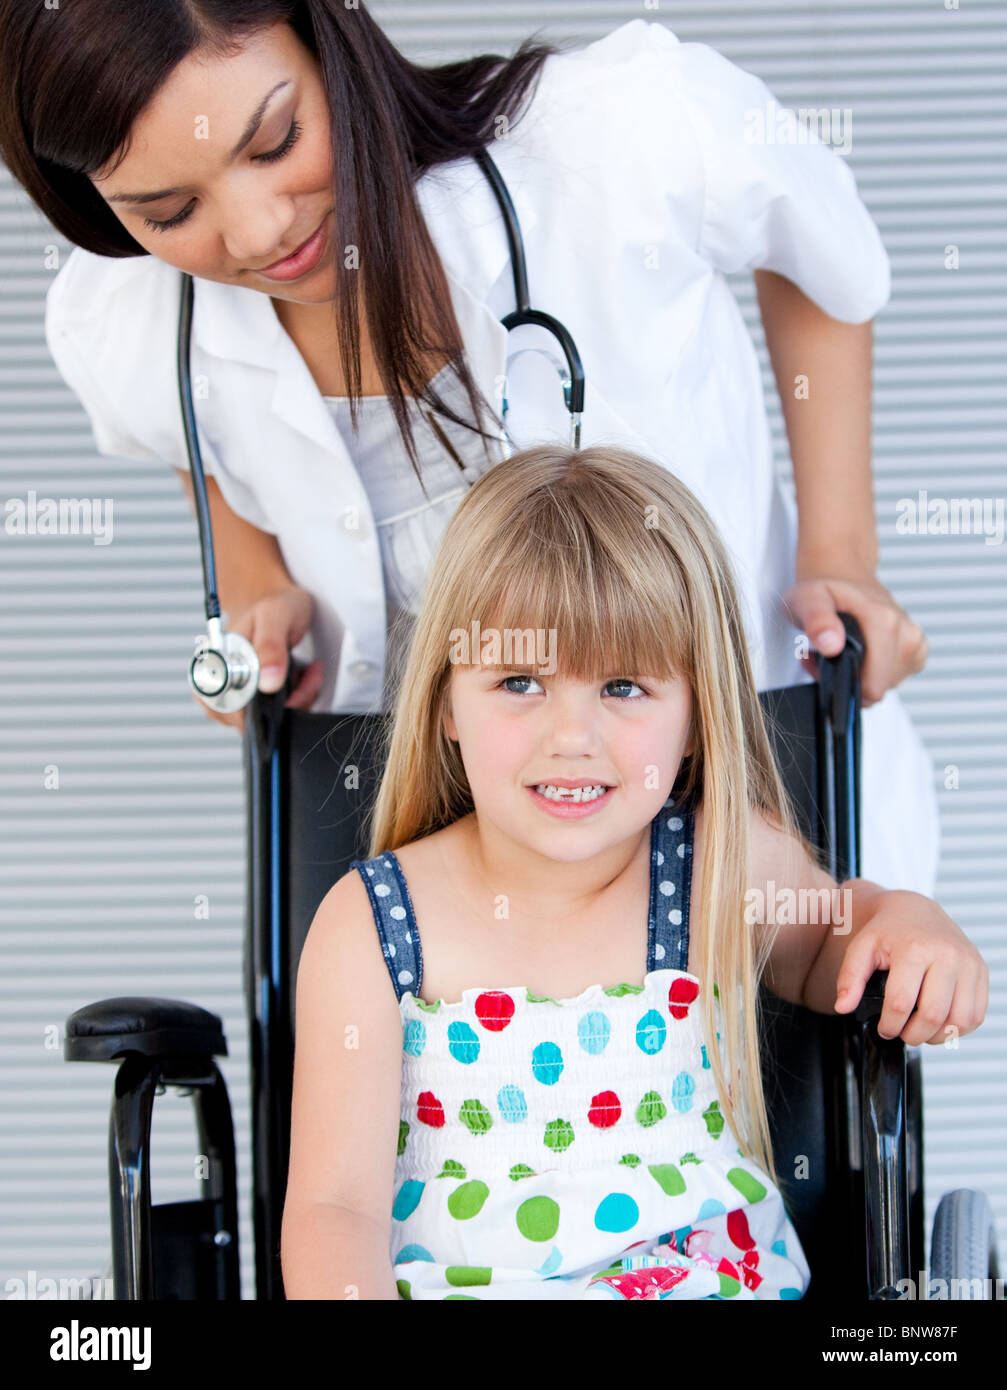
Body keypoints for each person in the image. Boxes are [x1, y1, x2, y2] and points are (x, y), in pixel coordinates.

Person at [8, 2, 936, 892]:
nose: (259, 231)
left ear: (327, 31)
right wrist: (251, 578)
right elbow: (180, 421)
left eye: (276, 140)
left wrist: (841, 551)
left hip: (745, 816)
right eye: (168, 211)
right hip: (440, 880)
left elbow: (822, 261)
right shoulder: (129, 318)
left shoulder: (614, 136)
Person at [279, 444, 987, 1301]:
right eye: (517, 681)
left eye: (621, 686)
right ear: (444, 706)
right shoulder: (377, 924)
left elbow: (837, 933)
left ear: (695, 716)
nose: (571, 736)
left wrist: (906, 918)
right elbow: (333, 1210)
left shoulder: (711, 867)